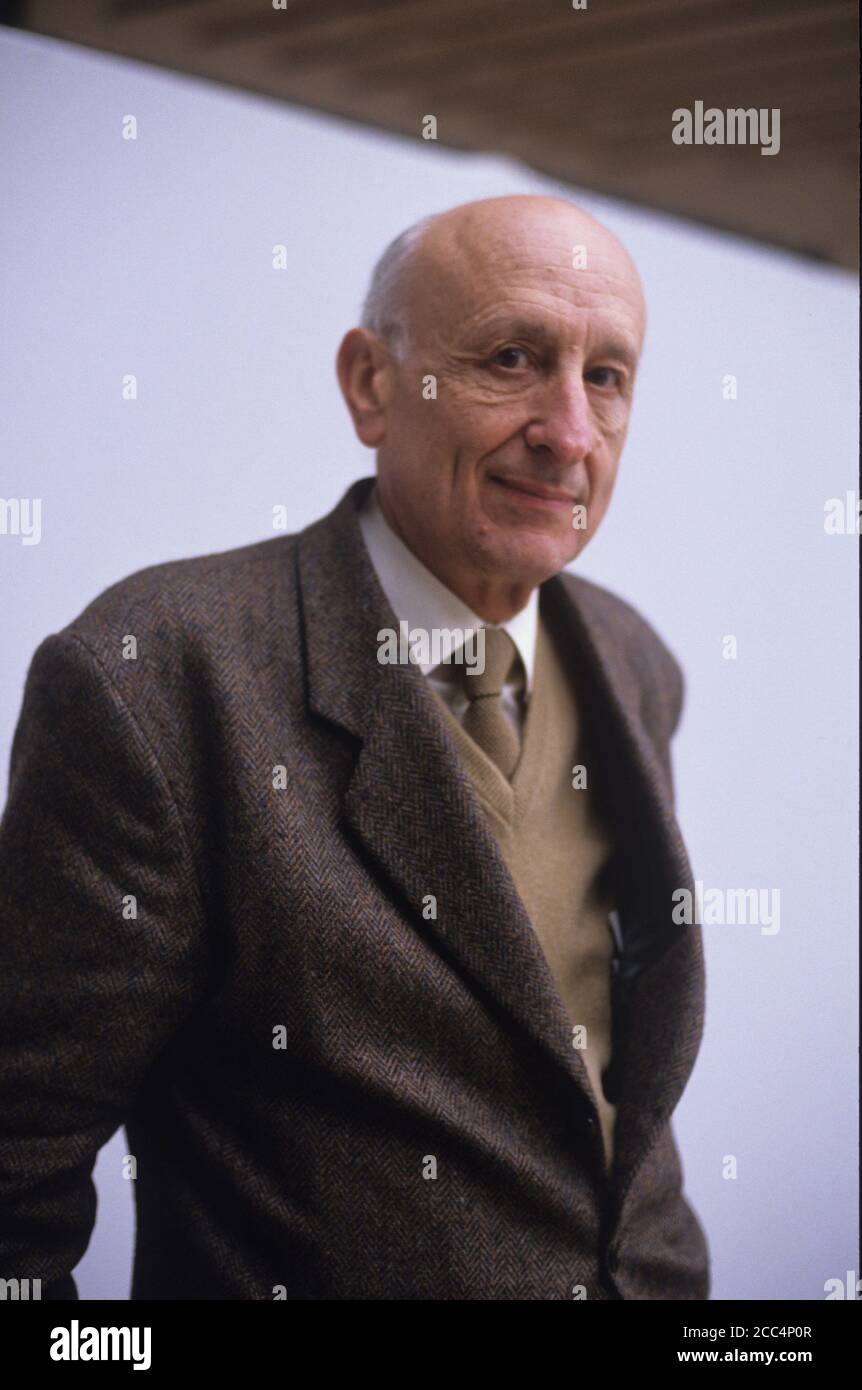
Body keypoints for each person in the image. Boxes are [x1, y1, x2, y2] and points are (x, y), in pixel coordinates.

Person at [0, 194, 708, 1300]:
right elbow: (15, 1165)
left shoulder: (634, 661)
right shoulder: (154, 673)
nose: (569, 432)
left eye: (605, 376)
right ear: (372, 383)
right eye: (513, 357)